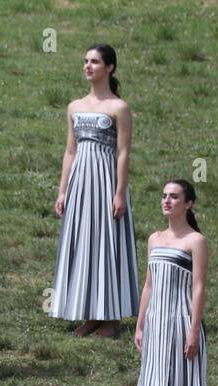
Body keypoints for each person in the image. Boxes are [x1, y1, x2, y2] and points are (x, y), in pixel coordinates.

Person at [48, 44, 138, 338]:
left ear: (109, 67)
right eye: (86, 61)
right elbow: (70, 151)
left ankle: (109, 317)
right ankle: (89, 312)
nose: (88, 66)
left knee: (105, 242)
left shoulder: (119, 108)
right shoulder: (74, 106)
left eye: (95, 62)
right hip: (79, 182)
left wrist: (119, 191)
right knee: (82, 242)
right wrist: (63, 191)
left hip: (105, 180)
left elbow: (123, 152)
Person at [122, 179, 208, 386]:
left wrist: (194, 330)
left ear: (188, 204)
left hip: (181, 322)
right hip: (157, 325)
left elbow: (198, 288)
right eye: (164, 196)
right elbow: (148, 284)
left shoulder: (195, 241)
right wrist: (140, 323)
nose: (167, 201)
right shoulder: (154, 239)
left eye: (174, 197)